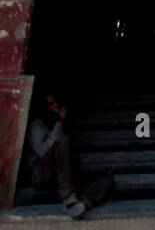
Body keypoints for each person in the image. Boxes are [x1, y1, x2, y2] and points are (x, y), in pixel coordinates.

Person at [26, 90, 114, 218]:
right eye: (51, 104)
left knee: (106, 176)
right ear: (44, 108)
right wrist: (59, 123)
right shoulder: (36, 125)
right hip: (41, 174)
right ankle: (68, 198)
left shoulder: (56, 124)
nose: (55, 106)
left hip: (60, 177)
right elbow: (42, 152)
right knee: (63, 140)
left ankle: (84, 201)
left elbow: (62, 156)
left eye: (56, 103)